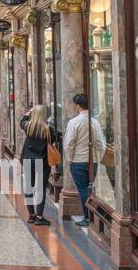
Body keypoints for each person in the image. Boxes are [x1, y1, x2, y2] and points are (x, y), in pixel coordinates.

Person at [63, 92, 106, 226]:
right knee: (91, 188)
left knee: (82, 190)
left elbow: (69, 143)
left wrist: (69, 159)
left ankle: (88, 217)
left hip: (77, 161)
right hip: (92, 162)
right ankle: (93, 216)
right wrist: (98, 157)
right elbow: (100, 142)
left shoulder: (74, 122)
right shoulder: (94, 122)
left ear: (77, 106)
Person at [20, 104, 53, 225]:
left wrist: (29, 112)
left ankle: (31, 215)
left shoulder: (28, 127)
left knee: (29, 188)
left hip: (28, 161)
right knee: (41, 189)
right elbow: (52, 141)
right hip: (43, 162)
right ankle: (39, 217)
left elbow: (22, 120)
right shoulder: (48, 129)